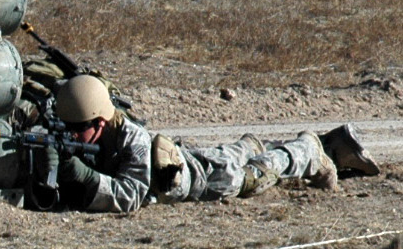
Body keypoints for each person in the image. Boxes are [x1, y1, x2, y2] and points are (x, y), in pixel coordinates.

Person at [43, 75, 380, 213]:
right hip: (196, 159)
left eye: (78, 129)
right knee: (234, 152)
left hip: (210, 182)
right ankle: (253, 144)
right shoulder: (96, 131)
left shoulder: (134, 140)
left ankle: (310, 149)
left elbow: (131, 196)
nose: (72, 135)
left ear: (100, 121)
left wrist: (86, 177)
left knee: (261, 172)